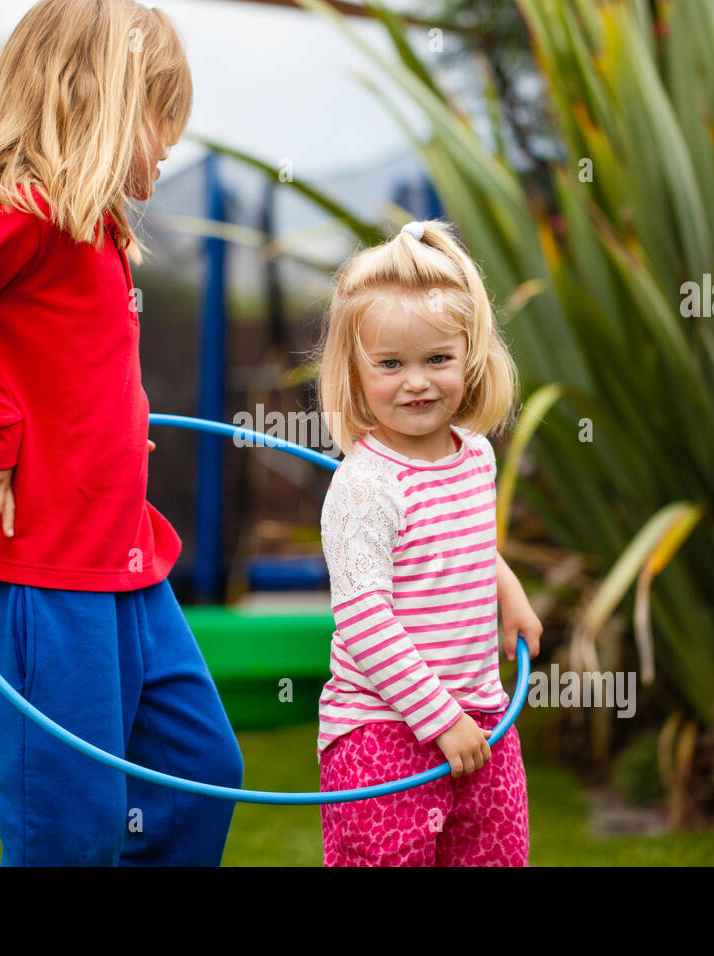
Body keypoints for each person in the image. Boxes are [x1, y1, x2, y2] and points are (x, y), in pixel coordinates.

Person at [0, 0, 242, 866]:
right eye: (162, 117)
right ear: (104, 101)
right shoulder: (27, 216)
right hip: (48, 576)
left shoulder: (94, 232)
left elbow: (68, 366)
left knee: (200, 771)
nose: (169, 143)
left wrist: (111, 432)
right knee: (69, 829)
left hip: (126, 567)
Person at [311, 218, 542, 866]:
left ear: (468, 359)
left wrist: (510, 593)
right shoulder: (365, 487)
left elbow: (464, 545)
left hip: (483, 722)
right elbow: (364, 619)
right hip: (384, 736)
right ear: (355, 375)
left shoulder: (474, 458)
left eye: (437, 359)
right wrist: (439, 719)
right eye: (390, 364)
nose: (416, 381)